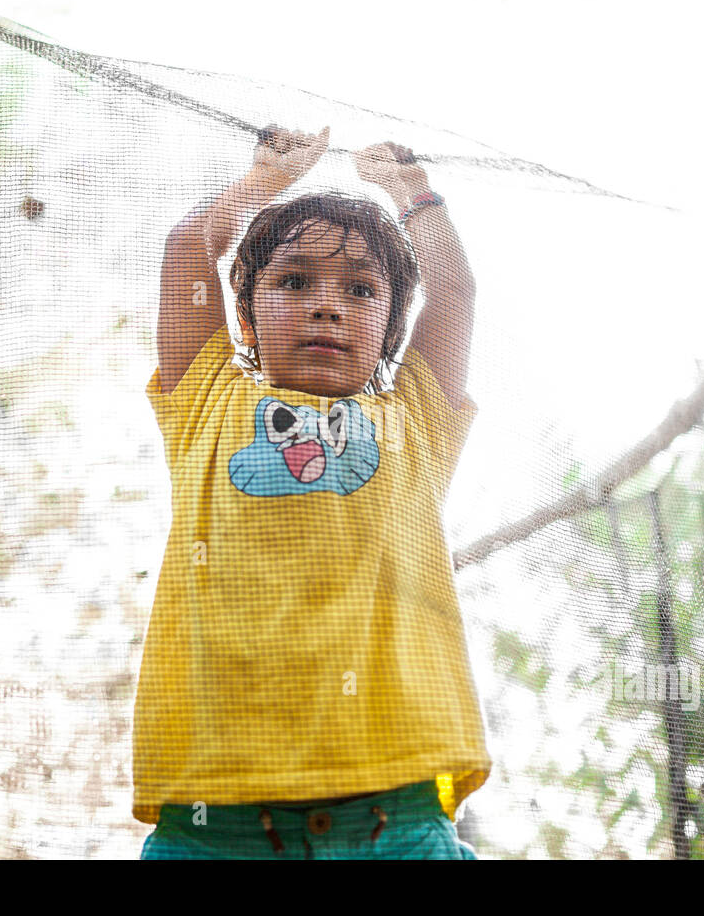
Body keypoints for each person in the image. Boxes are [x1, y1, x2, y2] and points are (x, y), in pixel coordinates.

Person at [136, 123, 489, 858]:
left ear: (392, 327)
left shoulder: (413, 418)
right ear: (246, 317)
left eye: (360, 290)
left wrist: (410, 192)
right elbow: (185, 250)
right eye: (295, 281)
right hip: (215, 814)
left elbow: (453, 288)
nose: (327, 304)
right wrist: (263, 183)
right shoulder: (206, 397)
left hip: (393, 808)